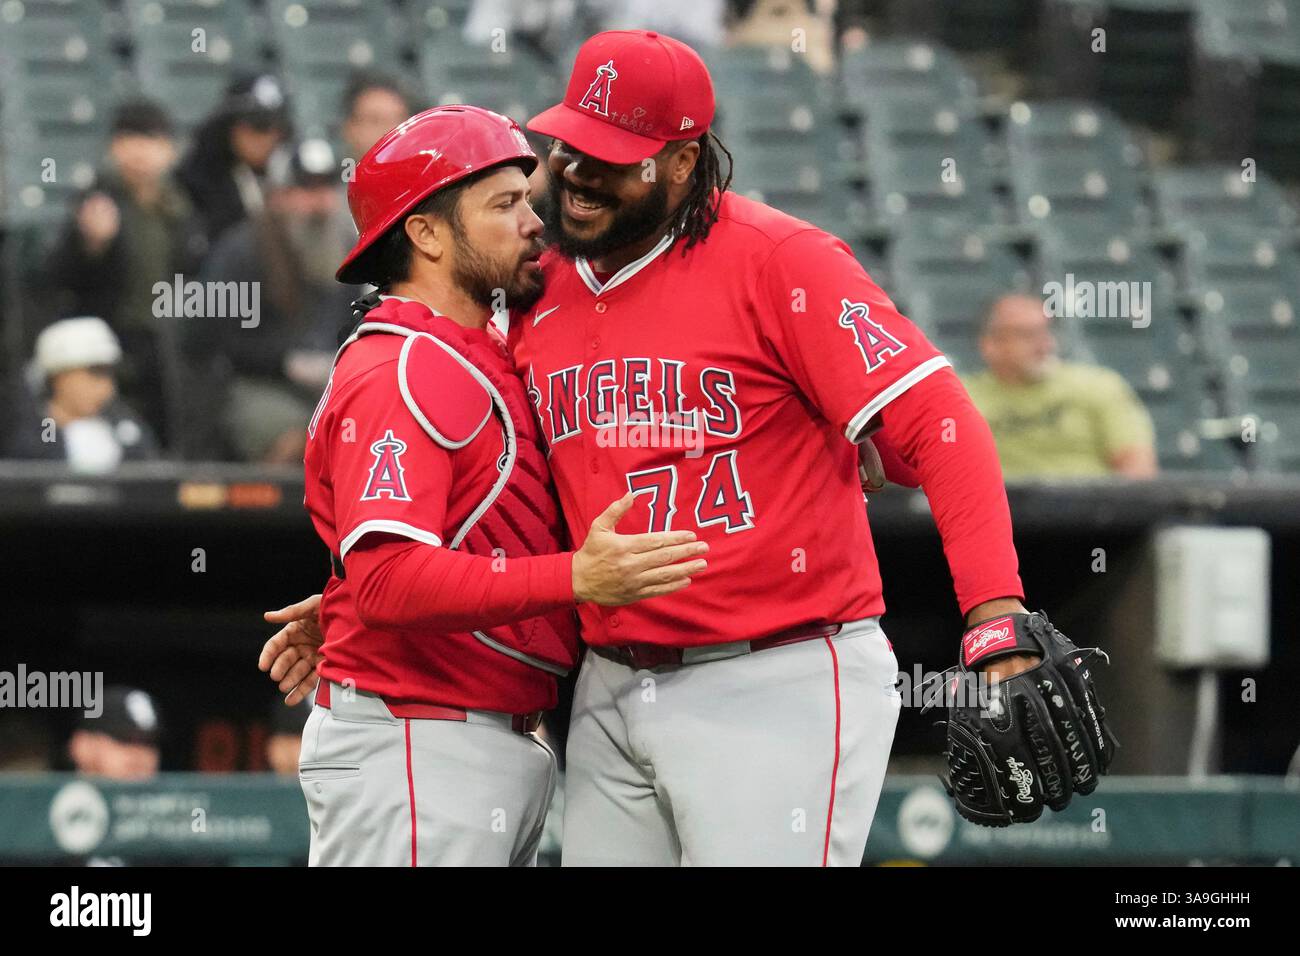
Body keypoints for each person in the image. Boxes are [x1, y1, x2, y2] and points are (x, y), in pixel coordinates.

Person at [263, 31, 1106, 866]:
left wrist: (995, 612)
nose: (578, 176)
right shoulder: (534, 286)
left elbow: (940, 426)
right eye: (570, 147)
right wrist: (365, 591)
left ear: (681, 158)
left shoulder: (781, 260)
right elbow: (523, 488)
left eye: (612, 155)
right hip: (609, 682)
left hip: (772, 673)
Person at [264, 105, 707, 867]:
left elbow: (399, 569)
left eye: (528, 200)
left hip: (467, 745)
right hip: (419, 749)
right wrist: (580, 576)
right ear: (428, 233)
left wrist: (350, 599)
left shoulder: (469, 349)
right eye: (504, 205)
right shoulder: (405, 369)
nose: (535, 222)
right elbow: (391, 581)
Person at [40, 99, 207, 440]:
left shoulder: (180, 205)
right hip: (111, 339)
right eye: (129, 139)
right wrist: (92, 245)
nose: (139, 151)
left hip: (164, 345)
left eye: (150, 140)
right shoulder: (96, 199)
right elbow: (60, 275)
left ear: (169, 150)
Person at [184, 140, 354, 463]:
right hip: (252, 384)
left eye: (325, 189)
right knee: (297, 439)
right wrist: (285, 361)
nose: (318, 203)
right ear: (278, 196)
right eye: (305, 190)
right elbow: (205, 342)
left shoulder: (343, 247)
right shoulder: (243, 251)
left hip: (326, 385)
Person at [963, 293, 1159, 480]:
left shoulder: (1097, 385)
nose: (1043, 344)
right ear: (990, 345)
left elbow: (1137, 467)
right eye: (1026, 334)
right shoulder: (961, 397)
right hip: (999, 511)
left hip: (1090, 510)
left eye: (1045, 331)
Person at [5, 317, 159, 471]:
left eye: (109, 374)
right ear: (59, 377)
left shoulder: (123, 426)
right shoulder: (43, 427)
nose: (107, 387)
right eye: (95, 373)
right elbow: (37, 458)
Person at [175, 74, 292, 246]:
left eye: (277, 126)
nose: (268, 137)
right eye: (258, 125)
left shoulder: (287, 175)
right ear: (230, 126)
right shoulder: (197, 179)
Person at [68, 686, 162, 781]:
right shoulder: (68, 795)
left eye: (148, 742)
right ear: (83, 745)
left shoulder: (171, 794)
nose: (138, 753)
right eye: (124, 739)